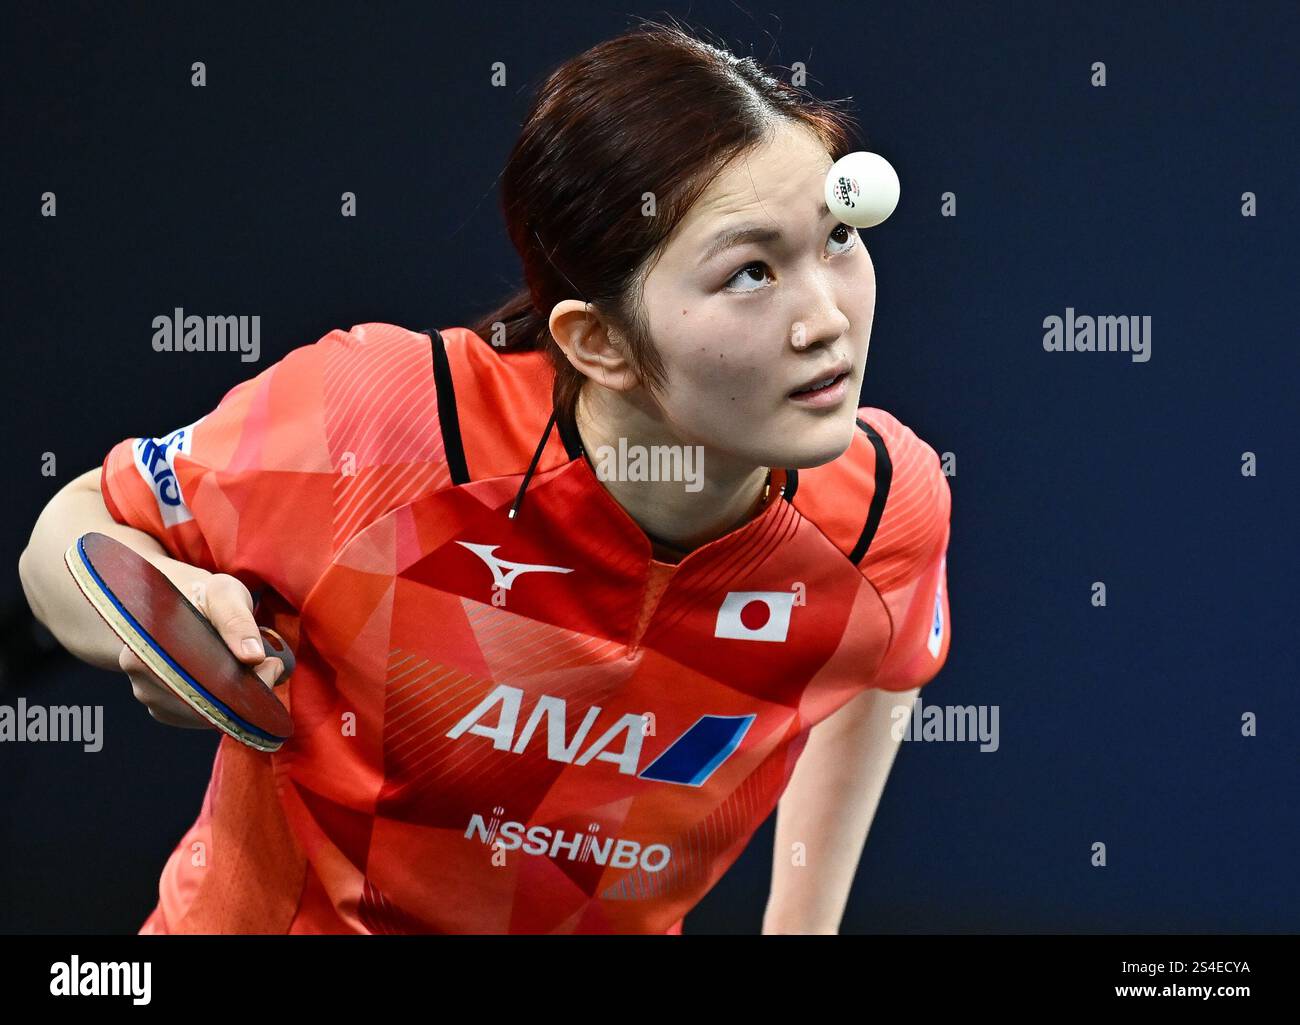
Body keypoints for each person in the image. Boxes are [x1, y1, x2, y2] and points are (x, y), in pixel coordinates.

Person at [18, 19, 952, 934]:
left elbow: (883, 668)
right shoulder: (385, 427)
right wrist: (155, 618)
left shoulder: (881, 514)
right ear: (599, 341)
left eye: (836, 238)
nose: (828, 319)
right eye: (750, 272)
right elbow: (71, 526)